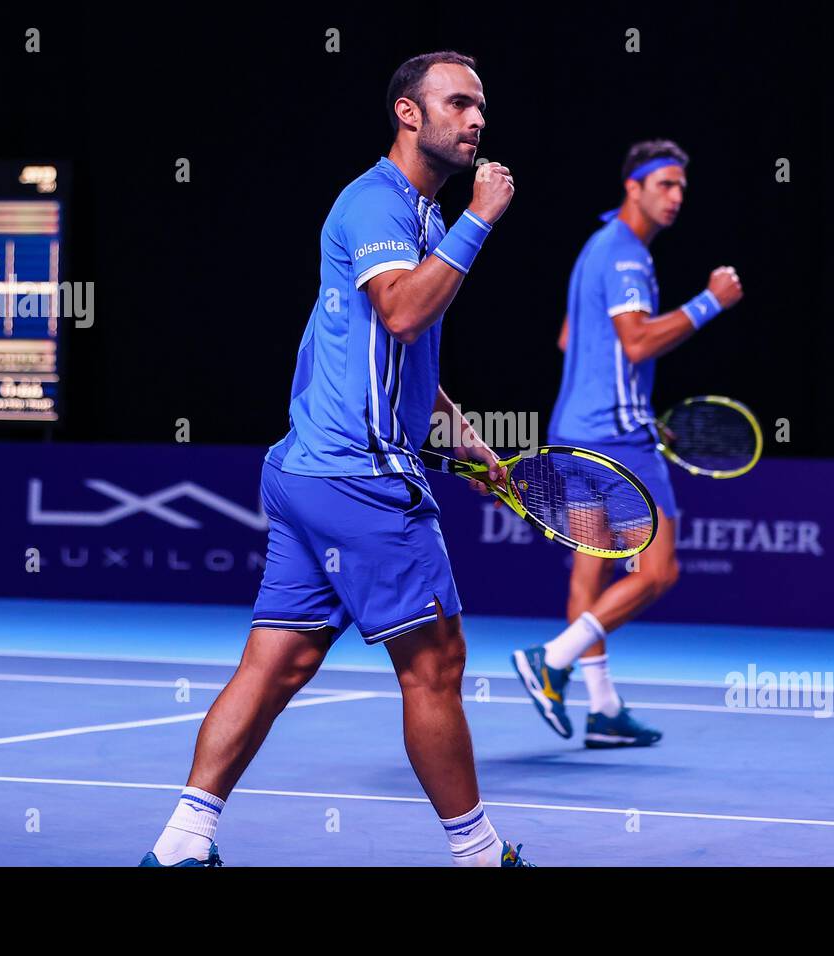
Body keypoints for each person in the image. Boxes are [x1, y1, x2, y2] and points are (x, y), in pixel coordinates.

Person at [141, 51, 533, 867]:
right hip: (359, 480)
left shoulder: (419, 218)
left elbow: (392, 355)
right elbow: (399, 313)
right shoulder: (374, 205)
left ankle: (182, 842)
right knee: (435, 665)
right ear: (408, 115)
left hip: (304, 473)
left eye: (482, 107)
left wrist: (464, 433)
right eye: (459, 104)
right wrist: (483, 219)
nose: (477, 121)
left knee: (277, 663)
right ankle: (480, 855)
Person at [511, 139, 743, 748]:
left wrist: (632, 402)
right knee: (659, 570)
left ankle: (604, 710)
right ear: (633, 186)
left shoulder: (595, 248)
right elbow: (636, 343)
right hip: (617, 442)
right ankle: (551, 660)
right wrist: (710, 303)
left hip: (574, 432)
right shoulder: (628, 256)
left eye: (682, 188)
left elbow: (570, 340)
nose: (676, 197)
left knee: (591, 571)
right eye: (665, 184)